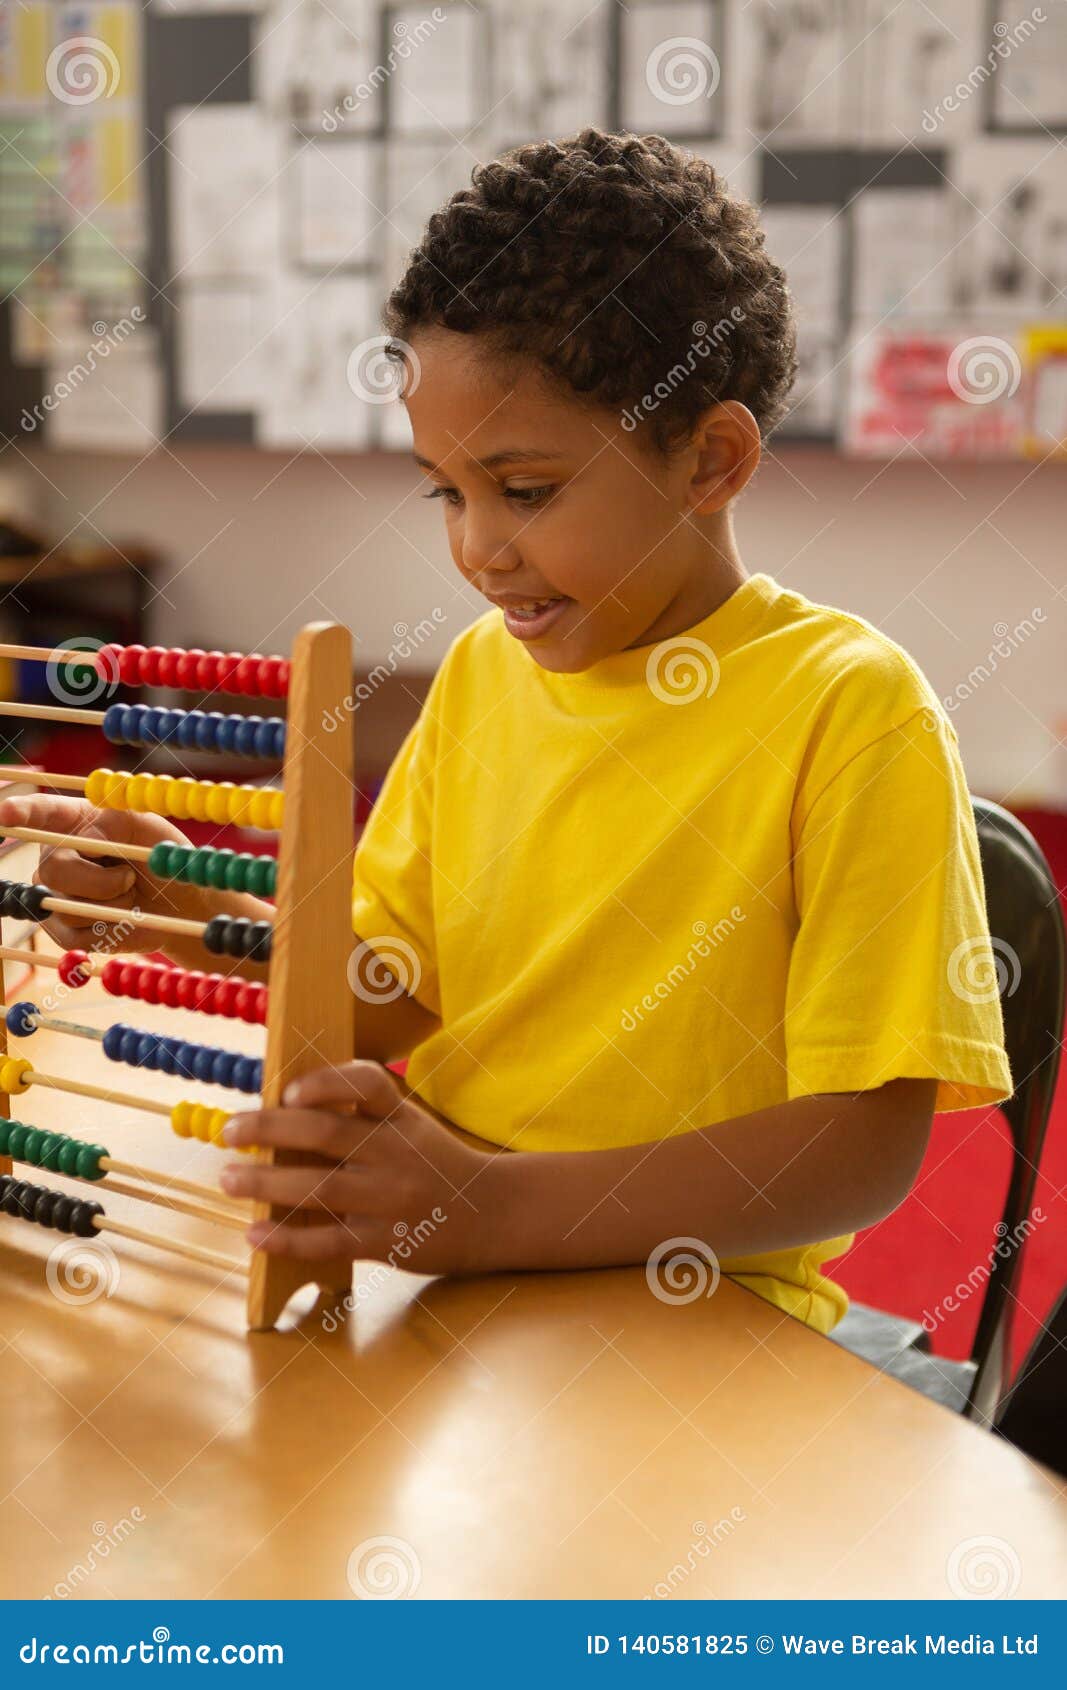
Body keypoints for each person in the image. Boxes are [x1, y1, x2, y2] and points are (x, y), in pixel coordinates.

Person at [0, 130, 1011, 1331]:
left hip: (700, 1320)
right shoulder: (484, 674)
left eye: (525, 490)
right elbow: (382, 994)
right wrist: (169, 886)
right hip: (454, 1281)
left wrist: (491, 1207)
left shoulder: (849, 708)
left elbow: (861, 1148)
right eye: (448, 489)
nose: (478, 548)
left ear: (712, 459)